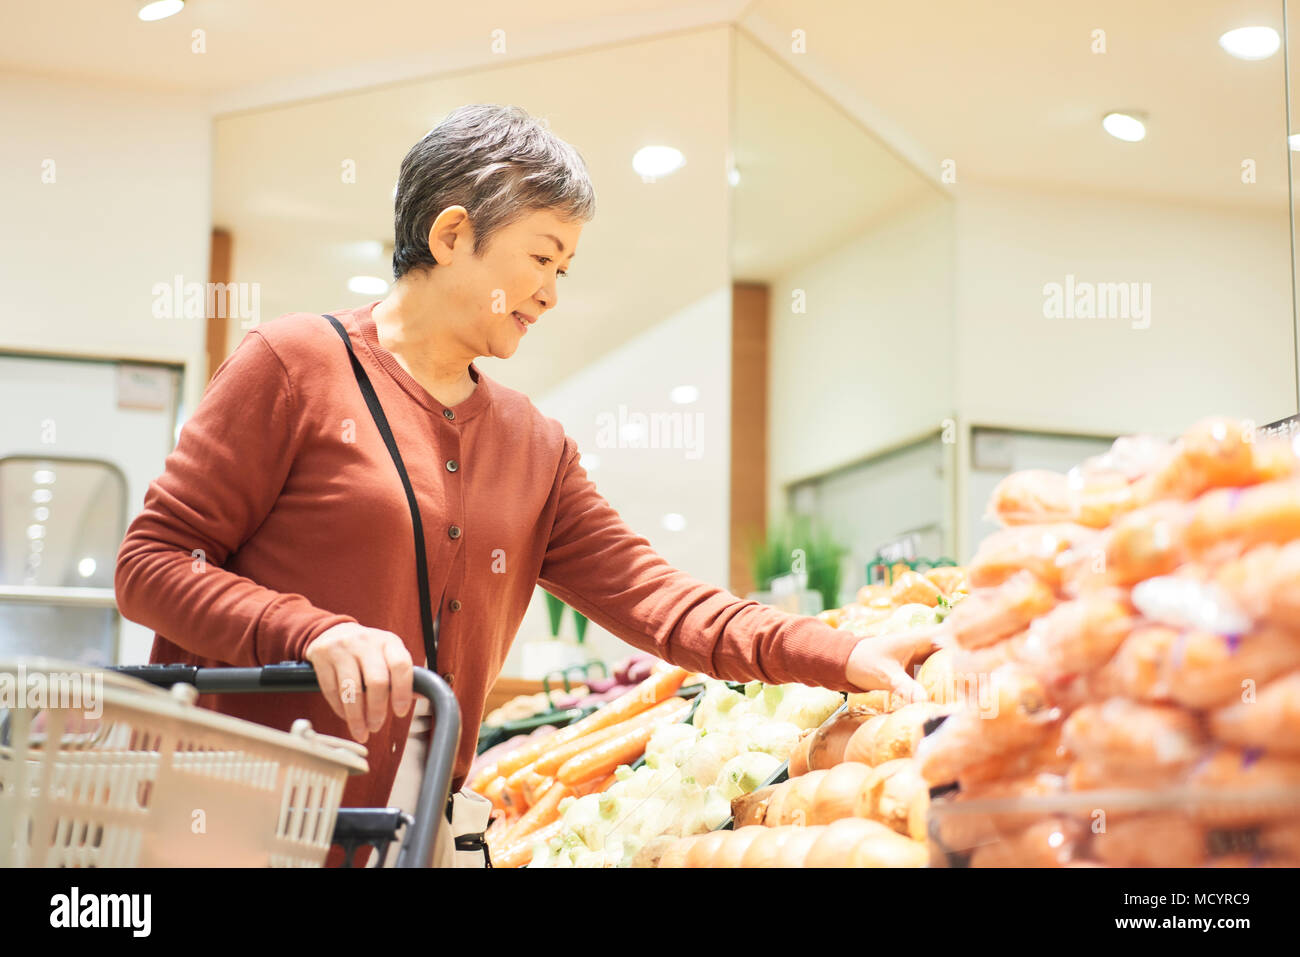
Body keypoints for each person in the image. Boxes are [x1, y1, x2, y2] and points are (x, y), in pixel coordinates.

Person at [113, 103, 932, 867]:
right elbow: (150, 564)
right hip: (233, 826)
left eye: (564, 268)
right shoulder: (293, 365)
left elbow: (661, 601)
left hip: (410, 831)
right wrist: (310, 632)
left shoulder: (532, 444)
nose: (549, 290)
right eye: (541, 255)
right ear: (452, 233)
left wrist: (846, 652)